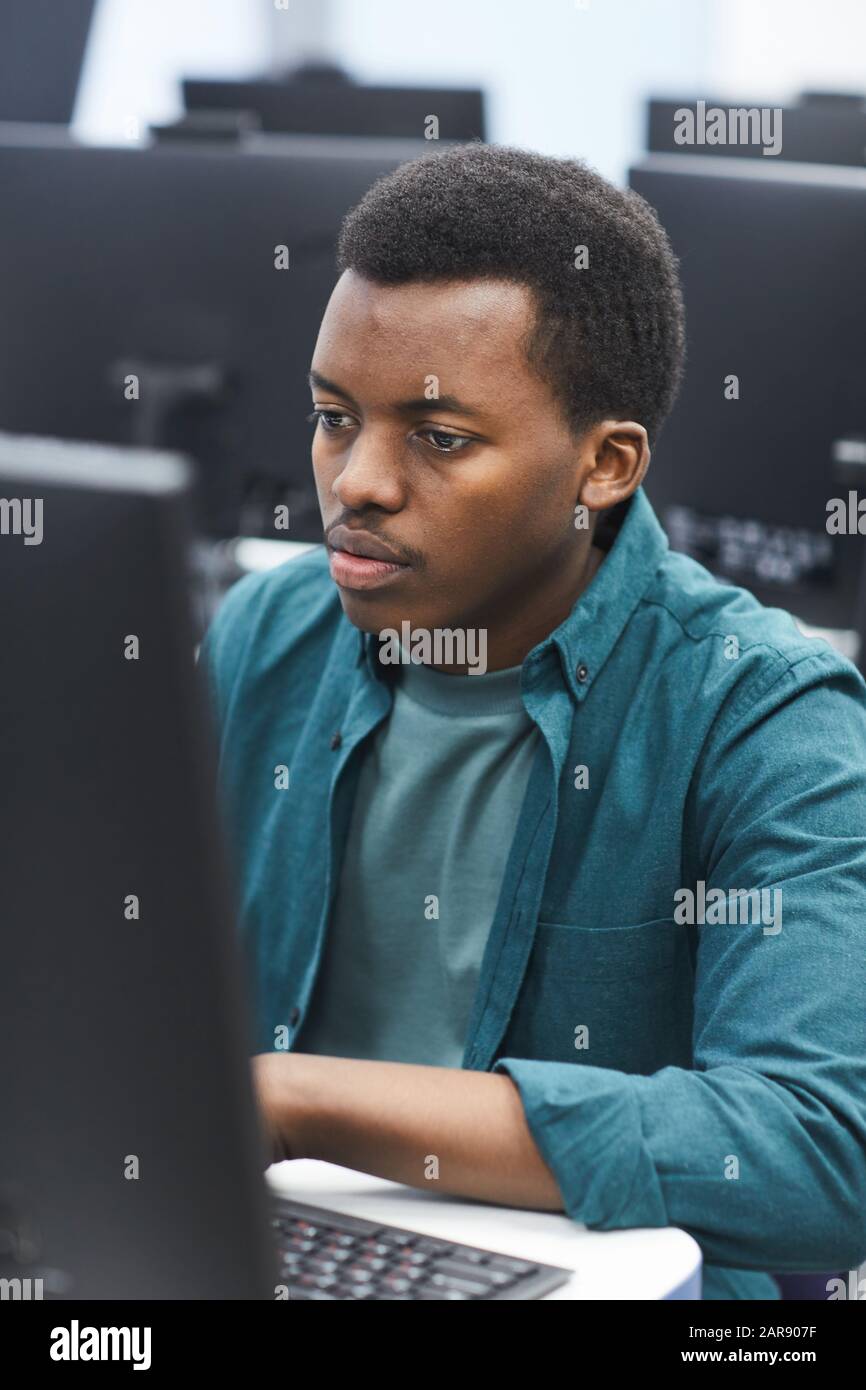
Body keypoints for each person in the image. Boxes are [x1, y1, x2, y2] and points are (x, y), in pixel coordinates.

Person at [201, 143, 866, 1300]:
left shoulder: (760, 713)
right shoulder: (268, 633)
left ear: (602, 465)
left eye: (439, 437)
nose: (355, 480)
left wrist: (296, 1099)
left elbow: (817, 1151)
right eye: (331, 417)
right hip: (283, 1255)